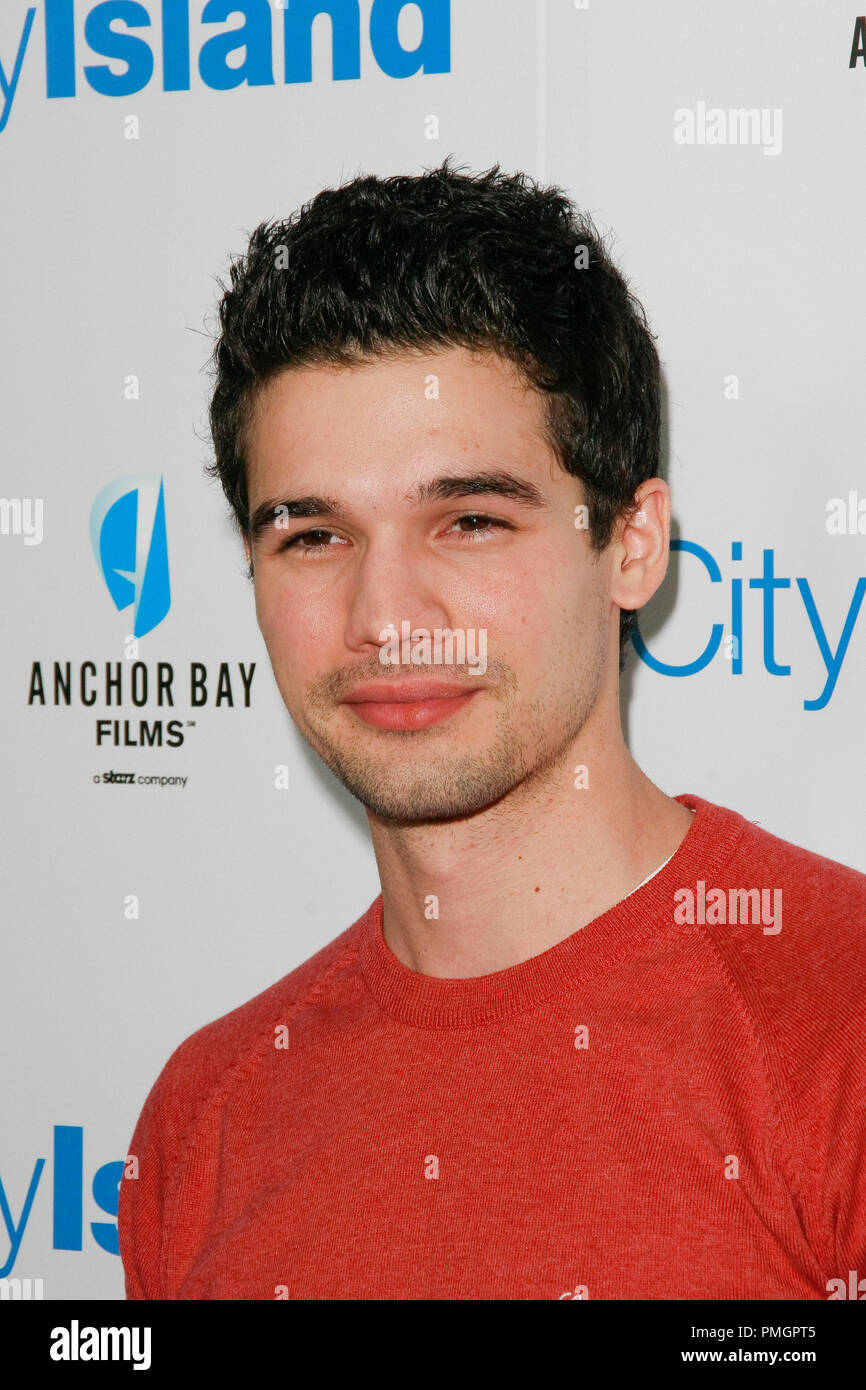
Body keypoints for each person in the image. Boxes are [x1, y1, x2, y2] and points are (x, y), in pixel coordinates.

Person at [118, 159, 866, 1300]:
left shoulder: (838, 1019)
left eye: (467, 520)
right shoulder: (203, 1117)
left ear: (629, 543)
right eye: (312, 536)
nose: (385, 619)